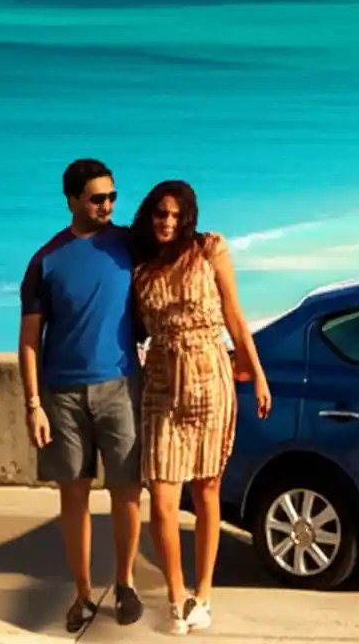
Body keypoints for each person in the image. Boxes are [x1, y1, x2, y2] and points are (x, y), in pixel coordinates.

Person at [129, 179, 272, 635]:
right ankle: (175, 596)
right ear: (150, 215)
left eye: (175, 214)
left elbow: (234, 314)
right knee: (163, 500)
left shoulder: (209, 249)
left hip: (210, 375)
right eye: (159, 213)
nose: (167, 222)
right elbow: (129, 327)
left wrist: (258, 373)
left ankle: (203, 592)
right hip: (161, 383)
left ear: (186, 217)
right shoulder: (139, 264)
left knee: (208, 488)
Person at [18, 158, 146, 633]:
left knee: (127, 491)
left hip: (121, 386)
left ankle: (126, 582)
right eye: (97, 198)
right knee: (74, 497)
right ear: (72, 200)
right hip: (62, 396)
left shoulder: (129, 244)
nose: (107, 205)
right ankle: (83, 594)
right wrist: (34, 405)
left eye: (112, 196)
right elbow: (30, 340)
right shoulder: (45, 261)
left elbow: (178, 246)